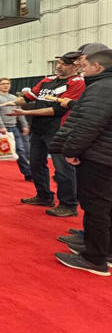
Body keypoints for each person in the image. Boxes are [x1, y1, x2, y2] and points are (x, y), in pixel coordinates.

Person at [50, 49, 112, 276]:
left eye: (84, 64)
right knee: (104, 205)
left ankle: (95, 258)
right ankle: (104, 250)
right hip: (105, 155)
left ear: (98, 67)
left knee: (96, 206)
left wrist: (70, 150)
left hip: (99, 156)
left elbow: (88, 124)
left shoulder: (101, 88)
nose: (81, 68)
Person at [3, 51, 85, 217]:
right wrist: (11, 102)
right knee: (35, 163)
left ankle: (68, 204)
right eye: (59, 63)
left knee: (63, 169)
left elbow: (56, 110)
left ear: (75, 66)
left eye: (64, 64)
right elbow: (27, 97)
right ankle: (44, 195)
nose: (59, 66)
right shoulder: (47, 80)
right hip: (39, 130)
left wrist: (25, 114)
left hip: (59, 130)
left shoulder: (77, 83)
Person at [0, 78, 31, 179]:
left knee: (20, 150)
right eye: (3, 84)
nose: (6, 85)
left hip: (13, 127)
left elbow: (19, 112)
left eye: (8, 83)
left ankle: (28, 173)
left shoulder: (14, 98)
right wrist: (1, 126)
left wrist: (25, 124)